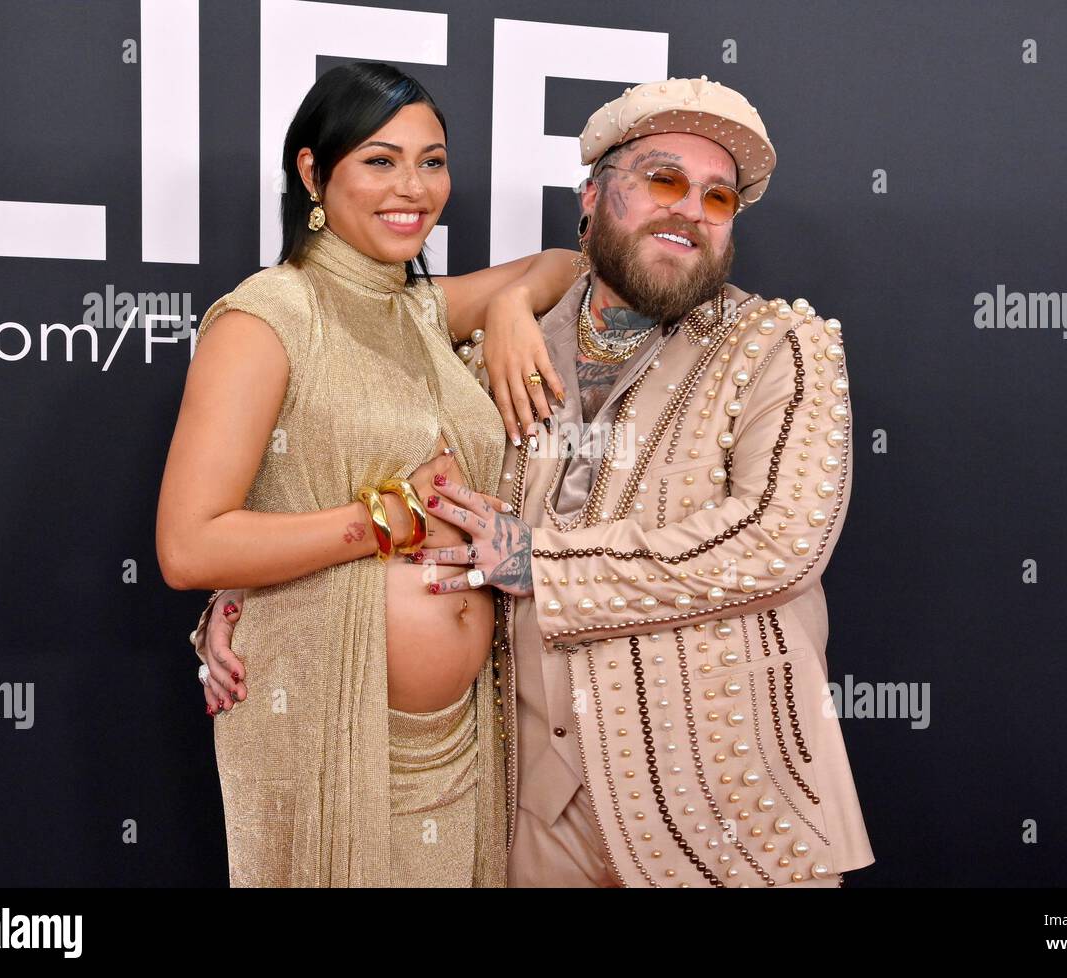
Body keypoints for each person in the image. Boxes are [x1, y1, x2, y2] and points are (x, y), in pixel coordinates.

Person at [202, 75, 876, 888]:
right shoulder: (490, 353)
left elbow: (776, 543)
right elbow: (367, 480)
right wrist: (250, 600)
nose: (690, 210)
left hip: (718, 803)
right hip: (524, 804)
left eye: (719, 198)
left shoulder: (782, 346)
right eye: (663, 180)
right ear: (592, 195)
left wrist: (535, 563)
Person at [156, 61, 578, 887]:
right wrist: (390, 517)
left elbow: (569, 263)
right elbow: (188, 545)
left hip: (465, 731)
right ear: (314, 171)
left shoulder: (422, 309)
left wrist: (505, 306)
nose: (413, 188)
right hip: (323, 718)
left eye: (432, 160)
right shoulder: (268, 316)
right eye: (380, 161)